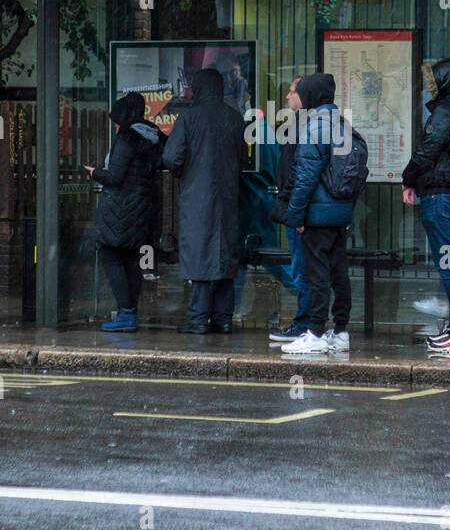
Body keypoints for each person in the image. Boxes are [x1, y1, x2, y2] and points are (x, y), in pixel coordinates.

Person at [163, 68, 248, 334]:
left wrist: (184, 172)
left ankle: (198, 318)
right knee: (224, 253)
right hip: (228, 196)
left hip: (196, 198)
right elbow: (243, 160)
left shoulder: (188, 118)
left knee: (200, 254)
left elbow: (171, 158)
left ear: (198, 89)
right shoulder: (235, 118)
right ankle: (223, 318)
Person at [401, 57, 450, 354]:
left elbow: (426, 151)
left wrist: (408, 177)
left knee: (449, 265)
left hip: (439, 200)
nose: (430, 86)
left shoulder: (444, 114)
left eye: (434, 80)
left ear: (445, 82)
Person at [280, 73, 356, 355]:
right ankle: (341, 330)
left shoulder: (316, 126)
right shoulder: (342, 122)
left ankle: (314, 332)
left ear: (311, 96)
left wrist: (295, 215)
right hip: (339, 211)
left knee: (317, 274)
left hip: (318, 213)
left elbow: (305, 177)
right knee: (339, 272)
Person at [87, 92, 164, 333]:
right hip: (143, 207)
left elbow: (115, 176)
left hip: (123, 209)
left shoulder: (128, 138)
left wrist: (94, 173)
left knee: (110, 255)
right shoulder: (154, 135)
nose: (117, 126)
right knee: (131, 259)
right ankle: (130, 312)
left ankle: (126, 312)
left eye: (117, 121)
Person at [268, 77, 312, 344]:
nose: (286, 96)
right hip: (297, 209)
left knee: (302, 268)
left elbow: (302, 174)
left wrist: (297, 212)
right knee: (304, 268)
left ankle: (305, 324)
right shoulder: (300, 124)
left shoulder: (305, 126)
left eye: (292, 91)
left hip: (299, 211)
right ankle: (311, 323)